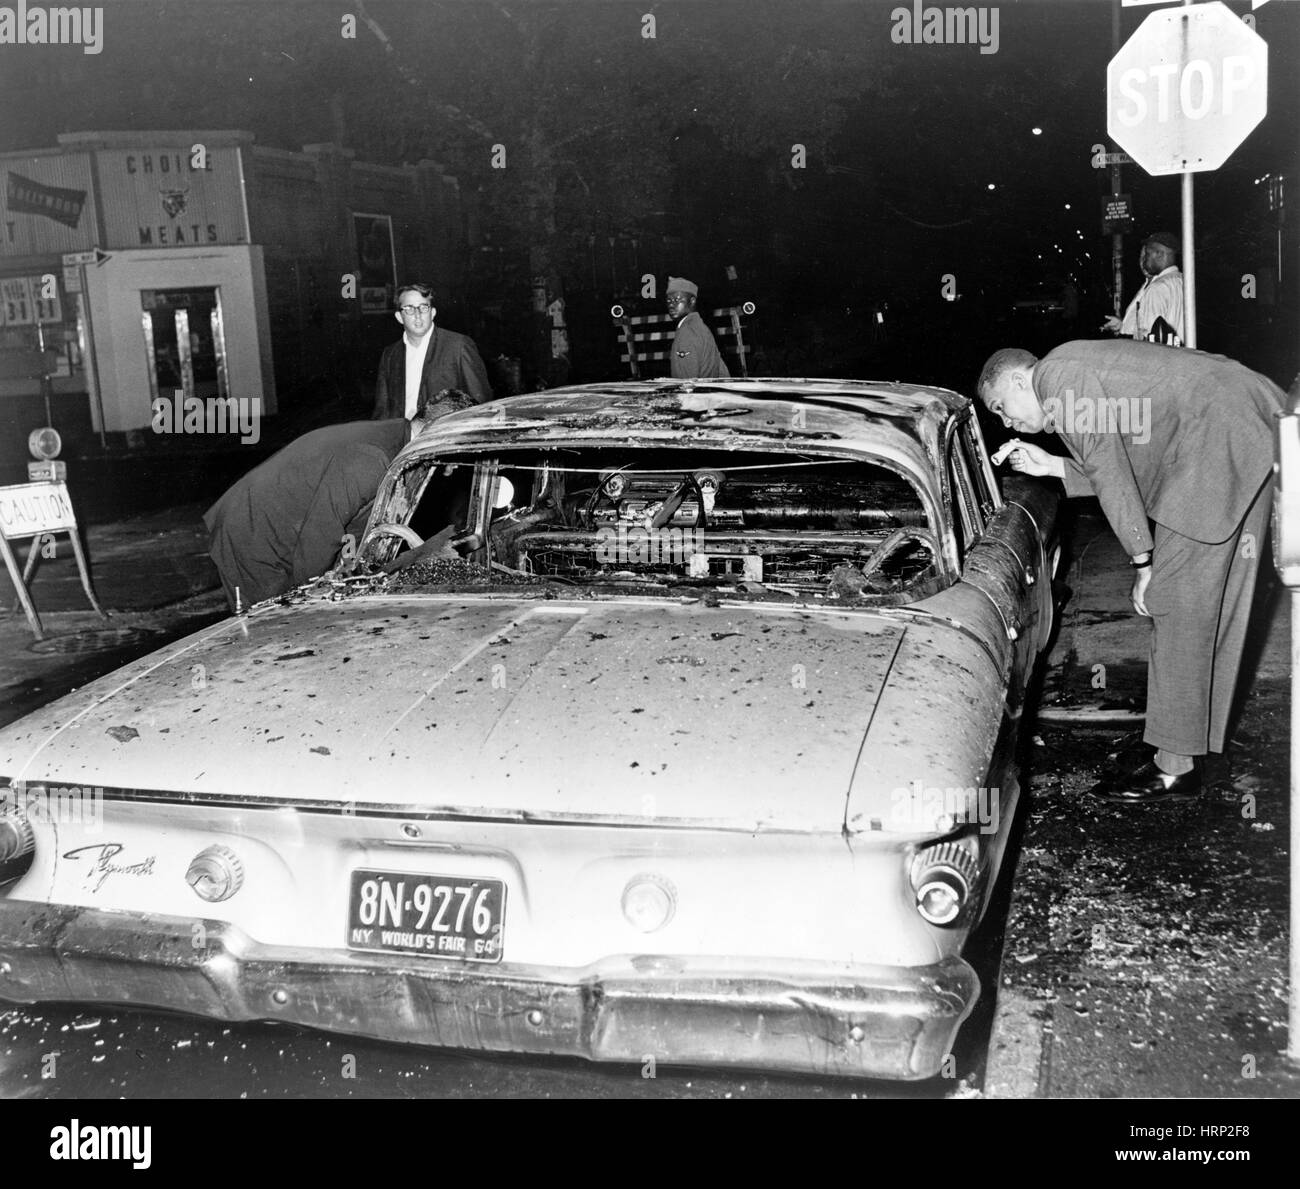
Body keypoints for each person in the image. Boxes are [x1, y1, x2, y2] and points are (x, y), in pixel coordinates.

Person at [977, 340, 1283, 806]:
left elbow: (1110, 469)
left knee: (1175, 607)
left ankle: (1174, 768)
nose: (1006, 422)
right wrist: (1055, 465)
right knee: (1216, 610)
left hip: (1214, 445)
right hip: (1246, 427)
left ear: (1022, 379)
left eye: (1002, 407)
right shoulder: (1077, 367)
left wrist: (1144, 562)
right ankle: (1203, 750)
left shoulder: (1057, 378)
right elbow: (1122, 457)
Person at [204, 389, 478, 611]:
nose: (452, 464)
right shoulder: (371, 459)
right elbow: (318, 538)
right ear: (436, 432)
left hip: (284, 530)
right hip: (255, 535)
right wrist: (312, 601)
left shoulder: (397, 440)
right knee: (274, 629)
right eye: (454, 448)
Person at [371, 282, 492, 419]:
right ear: (399, 317)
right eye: (409, 308)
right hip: (404, 438)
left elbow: (482, 404)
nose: (417, 315)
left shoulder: (458, 346)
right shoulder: (390, 355)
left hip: (443, 436)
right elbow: (382, 410)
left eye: (423, 307)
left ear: (433, 313)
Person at [1101, 232, 1185, 342]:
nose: (1144, 260)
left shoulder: (1157, 288)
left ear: (1159, 254)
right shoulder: (1184, 282)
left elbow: (1150, 340)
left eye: (1147, 254)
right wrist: (1124, 326)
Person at [666, 276, 730, 380]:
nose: (672, 305)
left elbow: (685, 383)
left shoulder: (687, 331)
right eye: (669, 300)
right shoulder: (701, 327)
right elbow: (722, 372)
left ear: (692, 301)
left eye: (678, 299)